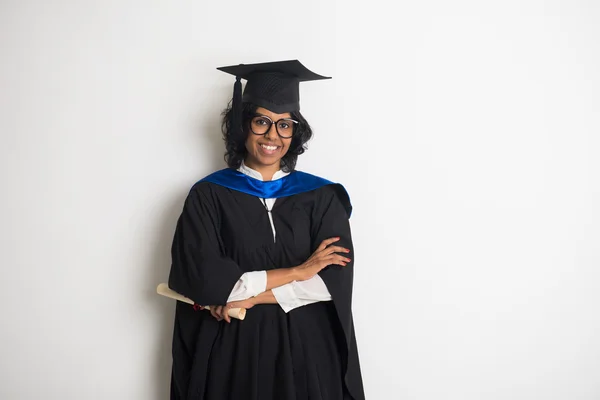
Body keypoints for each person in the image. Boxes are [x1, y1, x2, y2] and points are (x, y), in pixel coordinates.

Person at [167, 60, 365, 400]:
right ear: (244, 126)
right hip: (235, 351)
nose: (273, 135)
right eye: (262, 122)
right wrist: (297, 271)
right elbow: (209, 281)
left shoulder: (322, 197)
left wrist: (251, 297)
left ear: (295, 132)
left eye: (285, 125)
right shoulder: (209, 195)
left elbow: (329, 286)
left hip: (309, 352)